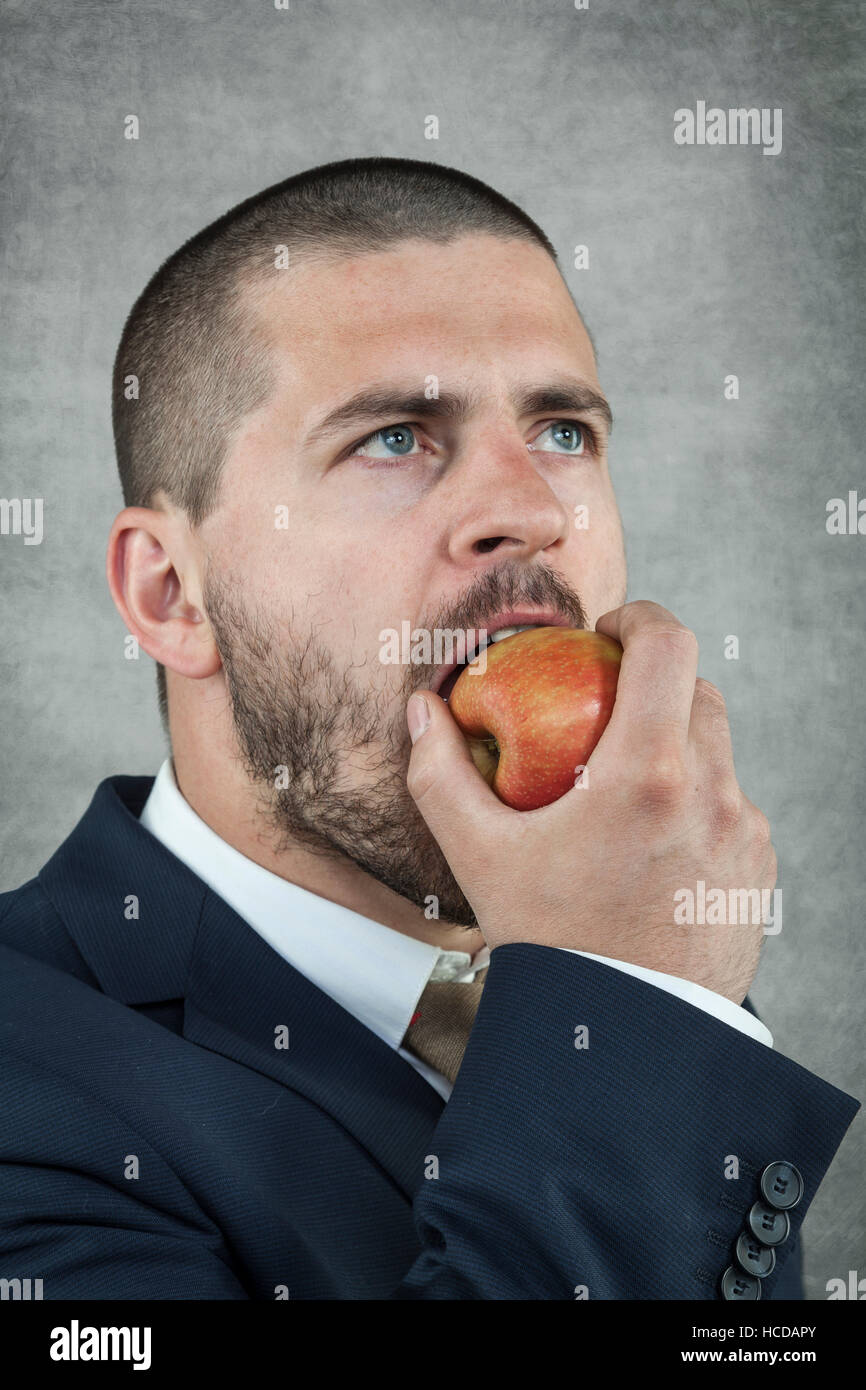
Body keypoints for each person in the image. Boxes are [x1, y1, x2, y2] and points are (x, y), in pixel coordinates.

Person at [0, 158, 858, 1300]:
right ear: (169, 593)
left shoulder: (620, 963)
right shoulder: (29, 1084)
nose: (533, 512)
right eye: (395, 436)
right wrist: (636, 1013)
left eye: (560, 430)